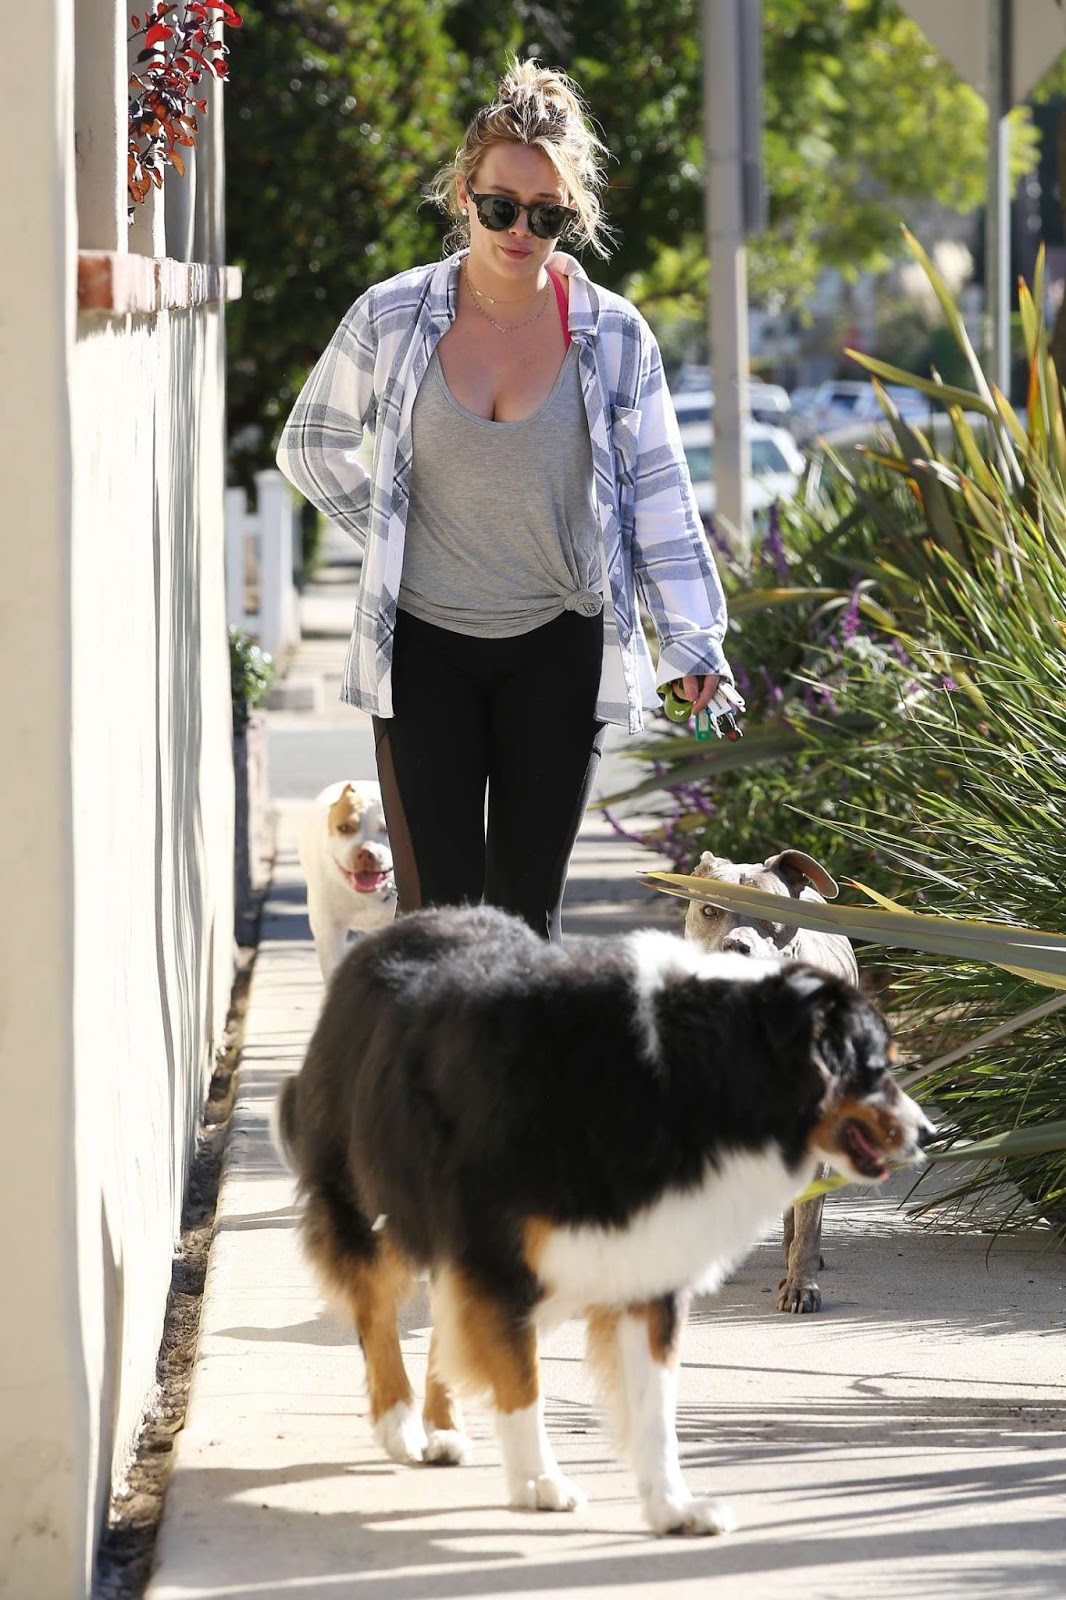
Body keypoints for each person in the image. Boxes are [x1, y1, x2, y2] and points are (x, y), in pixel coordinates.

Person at [276, 58, 742, 942]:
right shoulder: (394, 315)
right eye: (500, 207)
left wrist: (690, 641)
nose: (520, 230)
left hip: (559, 651)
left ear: (572, 216)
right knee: (439, 923)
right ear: (464, 195)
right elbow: (311, 444)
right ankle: (432, 1087)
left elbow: (659, 497)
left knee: (526, 922)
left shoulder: (612, 334)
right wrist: (392, 529)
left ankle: (518, 1084)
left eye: (547, 214)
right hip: (422, 651)